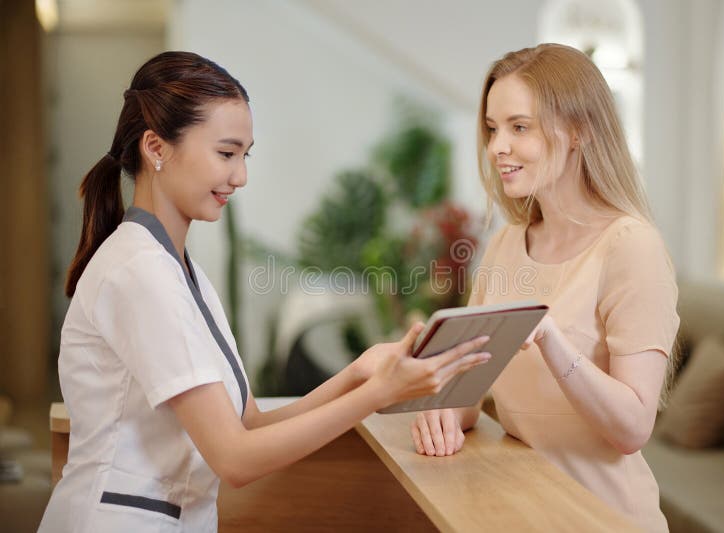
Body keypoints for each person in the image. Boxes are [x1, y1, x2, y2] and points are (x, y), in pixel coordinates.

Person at [39, 51, 492, 533]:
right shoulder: (139, 271)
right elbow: (236, 459)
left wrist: (359, 374)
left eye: (244, 155)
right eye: (225, 153)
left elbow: (249, 424)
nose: (240, 176)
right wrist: (380, 392)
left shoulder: (178, 269)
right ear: (156, 147)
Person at [410, 44, 679, 532]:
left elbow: (633, 428)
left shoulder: (631, 247)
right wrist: (444, 407)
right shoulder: (506, 246)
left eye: (519, 127)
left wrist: (552, 341)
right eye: (493, 129)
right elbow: (468, 391)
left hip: (605, 520)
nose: (497, 148)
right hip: (521, 510)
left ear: (580, 131)